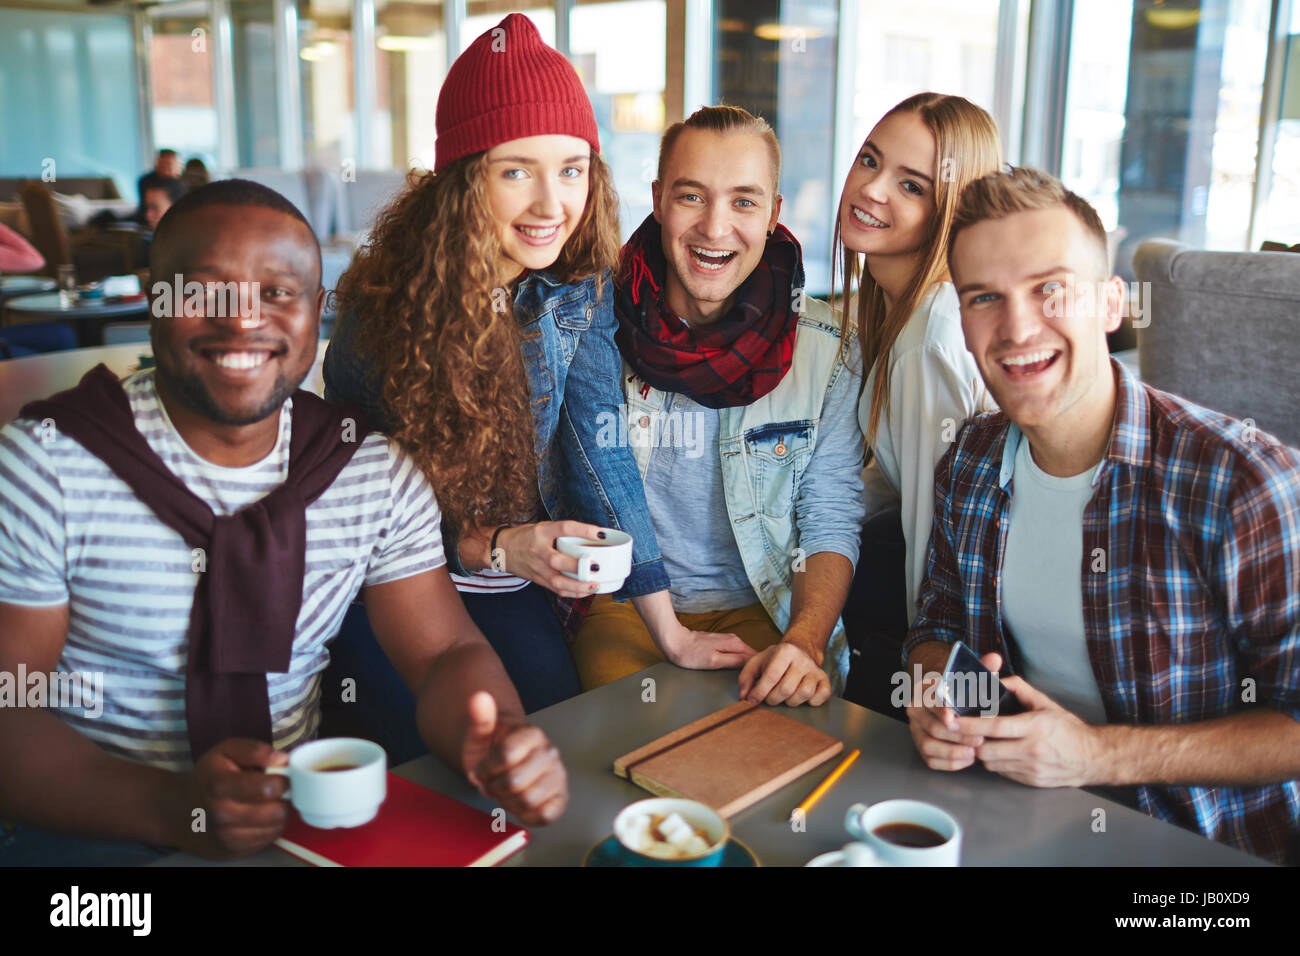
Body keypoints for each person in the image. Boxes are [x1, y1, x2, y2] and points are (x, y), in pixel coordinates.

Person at [0, 179, 567, 865]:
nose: (242, 320)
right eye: (206, 290)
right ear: (156, 300)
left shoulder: (368, 473)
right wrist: (173, 808)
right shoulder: (50, 464)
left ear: (317, 312)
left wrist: (493, 734)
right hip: (93, 834)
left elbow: (444, 652)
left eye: (277, 292)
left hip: (291, 831)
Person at [323, 14, 724, 741]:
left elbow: (603, 455)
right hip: (393, 591)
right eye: (517, 171)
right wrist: (495, 544)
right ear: (462, 180)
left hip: (510, 588)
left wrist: (670, 632)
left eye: (571, 169)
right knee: (431, 761)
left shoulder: (574, 289)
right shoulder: (380, 306)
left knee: (555, 741)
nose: (552, 205)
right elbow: (354, 512)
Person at [903, 166, 1300, 865]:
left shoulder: (1245, 482)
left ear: (1113, 303)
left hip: (1197, 860)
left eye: (1049, 288)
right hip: (1010, 819)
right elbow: (938, 626)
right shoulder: (969, 457)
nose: (1017, 327)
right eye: (984, 297)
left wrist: (1096, 755)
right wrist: (938, 692)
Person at [569, 106, 866, 706]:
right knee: (625, 754)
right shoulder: (595, 321)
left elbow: (829, 514)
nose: (714, 226)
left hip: (766, 604)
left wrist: (806, 641)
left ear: (774, 213)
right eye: (691, 196)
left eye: (744, 202)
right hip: (625, 603)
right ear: (657, 200)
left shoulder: (826, 349)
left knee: (767, 753)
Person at [833, 93, 1002, 714]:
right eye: (870, 161)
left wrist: (922, 696)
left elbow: (934, 539)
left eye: (911, 186)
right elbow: (890, 473)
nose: (872, 190)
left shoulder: (930, 335)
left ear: (951, 213)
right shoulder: (893, 303)